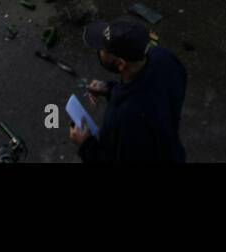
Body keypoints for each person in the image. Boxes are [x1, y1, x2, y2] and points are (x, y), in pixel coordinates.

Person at [71, 18, 187, 163]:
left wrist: (85, 145)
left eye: (103, 49)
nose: (99, 51)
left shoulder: (128, 117)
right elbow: (153, 90)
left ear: (120, 63)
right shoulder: (165, 58)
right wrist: (111, 89)